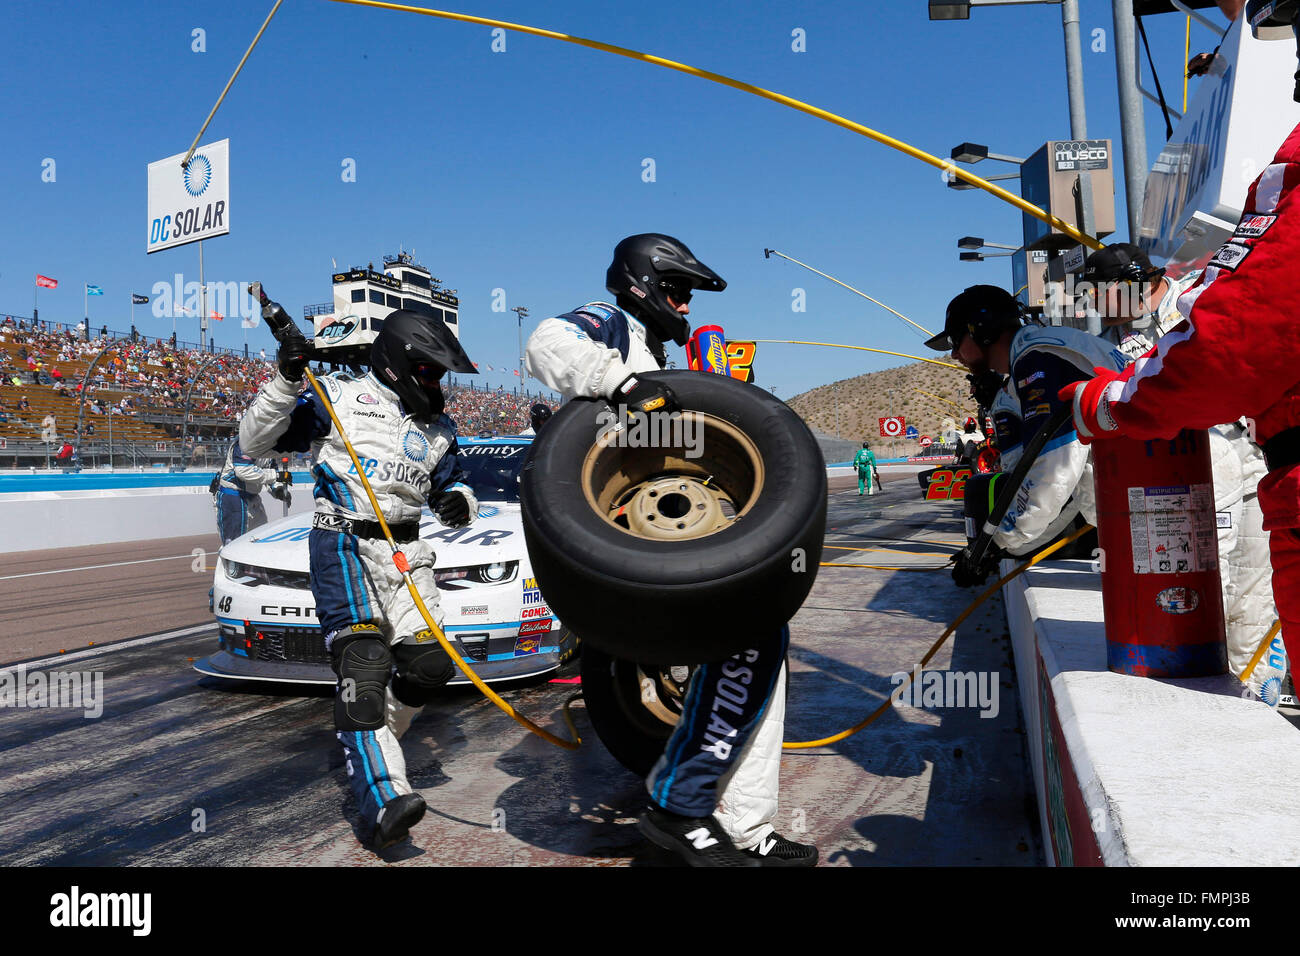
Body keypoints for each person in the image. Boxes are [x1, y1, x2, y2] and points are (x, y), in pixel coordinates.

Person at [525, 233, 816, 866]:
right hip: (628, 552)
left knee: (764, 654)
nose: (684, 307)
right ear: (643, 282)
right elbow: (542, 343)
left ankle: (742, 827)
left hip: (678, 549)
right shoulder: (609, 325)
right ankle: (679, 808)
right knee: (747, 643)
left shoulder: (661, 357)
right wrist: (622, 385)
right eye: (678, 291)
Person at [1065, 0, 1300, 686]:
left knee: (1248, 634)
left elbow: (1233, 346)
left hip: (1225, 482)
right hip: (1232, 482)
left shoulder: (1186, 306)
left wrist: (1110, 407)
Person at [239, 307, 479, 850]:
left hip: (408, 551)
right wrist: (286, 378)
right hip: (345, 542)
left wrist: (457, 502)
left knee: (430, 665)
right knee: (365, 664)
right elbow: (253, 443)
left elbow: (459, 485)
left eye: (441, 374)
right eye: (430, 371)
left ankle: (367, 731)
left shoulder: (440, 428)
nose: (436, 383)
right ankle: (382, 795)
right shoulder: (337, 399)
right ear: (399, 362)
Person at [1082, 242, 1284, 703]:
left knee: (1255, 593)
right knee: (1219, 589)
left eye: (1096, 293)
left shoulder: (1196, 300)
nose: (1091, 305)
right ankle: (1227, 704)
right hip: (1201, 474)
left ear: (1125, 285)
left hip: (1247, 464)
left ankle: (1257, 700)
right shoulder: (1120, 340)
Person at [925, 285, 1128, 586]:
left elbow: (1052, 473)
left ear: (981, 330)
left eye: (956, 341)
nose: (954, 354)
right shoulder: (1041, 350)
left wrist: (993, 545)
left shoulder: (1039, 359)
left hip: (1166, 495)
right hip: (1146, 495)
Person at [211, 439, 287, 545]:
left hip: (253, 499)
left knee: (261, 539)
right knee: (233, 548)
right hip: (233, 499)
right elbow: (244, 471)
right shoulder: (244, 443)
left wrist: (277, 489)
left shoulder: (269, 447)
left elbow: (270, 470)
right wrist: (276, 476)